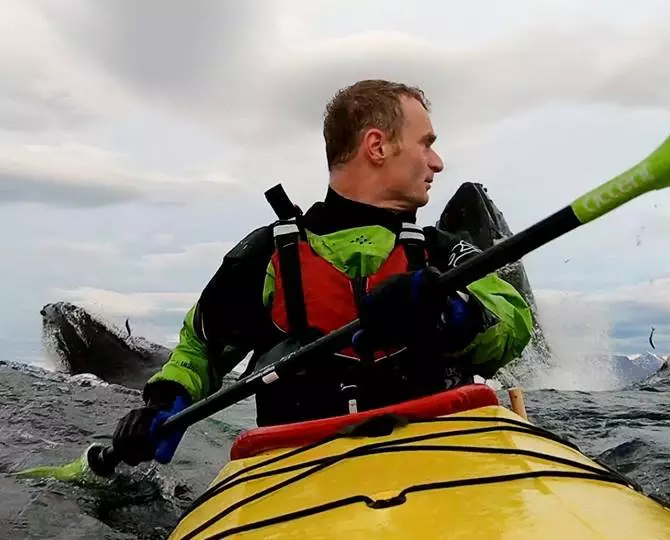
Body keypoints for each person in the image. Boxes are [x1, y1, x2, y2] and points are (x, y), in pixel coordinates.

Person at [110, 80, 534, 467]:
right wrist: (165, 402)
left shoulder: (441, 253)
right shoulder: (266, 256)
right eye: (426, 144)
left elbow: (514, 321)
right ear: (377, 146)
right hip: (297, 471)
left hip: (441, 458)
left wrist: (450, 311)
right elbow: (199, 349)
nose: (437, 162)